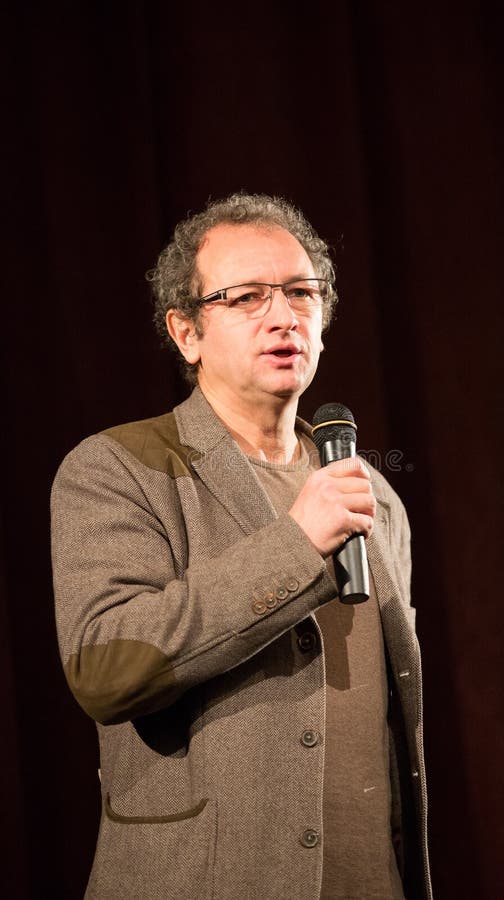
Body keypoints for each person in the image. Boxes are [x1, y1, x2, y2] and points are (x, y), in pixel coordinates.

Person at [51, 193, 432, 900]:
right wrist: (297, 545)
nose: (283, 316)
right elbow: (106, 668)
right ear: (186, 333)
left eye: (301, 293)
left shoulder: (372, 493)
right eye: (247, 296)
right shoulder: (117, 468)